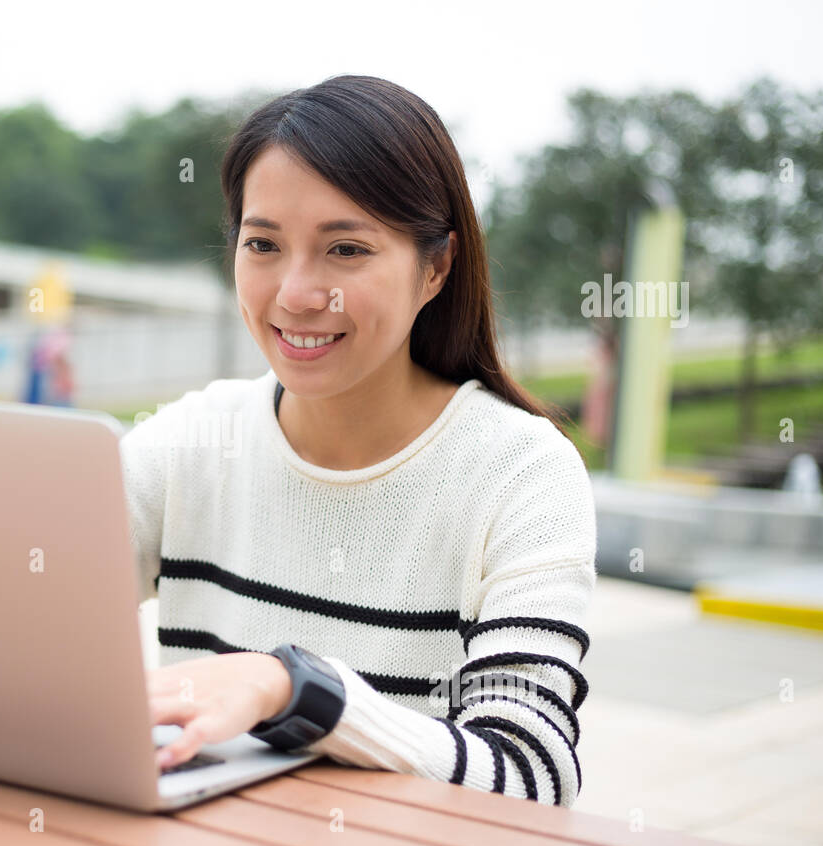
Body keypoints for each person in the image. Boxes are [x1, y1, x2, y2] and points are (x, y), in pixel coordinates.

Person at [128, 76, 596, 808]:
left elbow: (532, 776)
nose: (297, 293)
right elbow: (10, 614)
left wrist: (299, 690)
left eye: (346, 249)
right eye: (263, 244)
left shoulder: (519, 472)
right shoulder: (193, 439)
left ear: (435, 268)